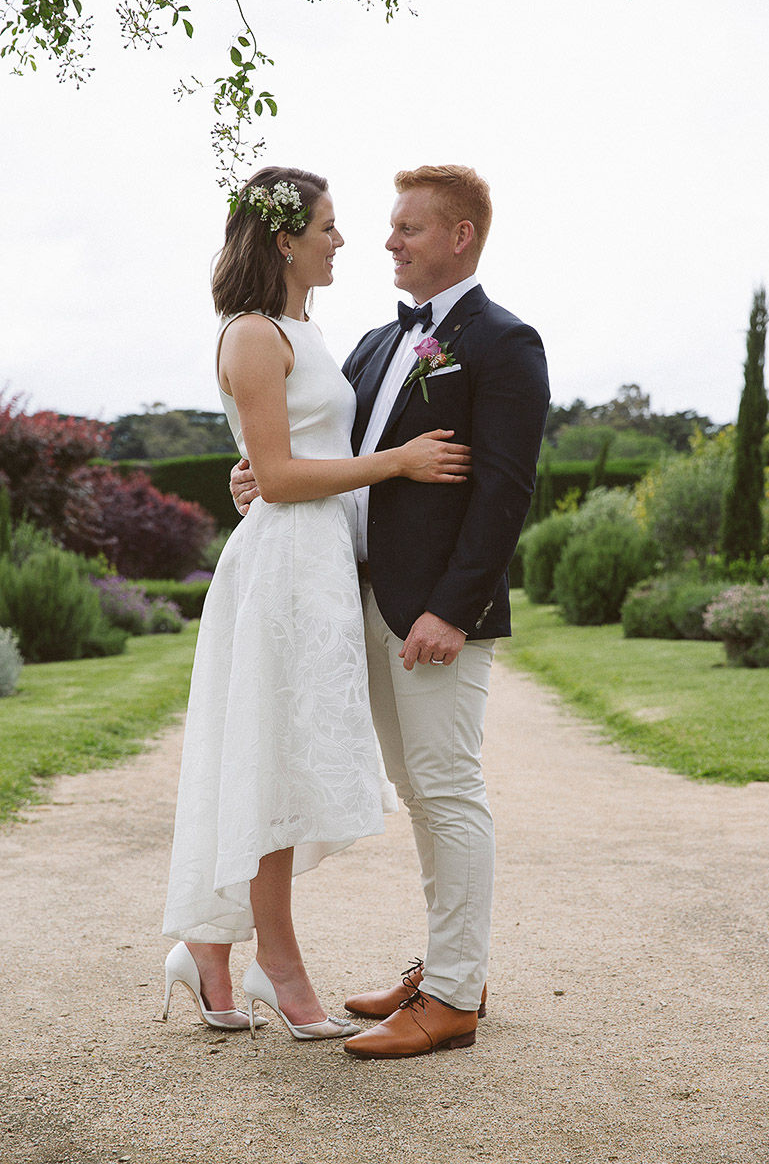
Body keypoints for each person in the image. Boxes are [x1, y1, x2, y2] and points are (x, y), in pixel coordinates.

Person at [230, 164, 550, 1059]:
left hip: (438, 616)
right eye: (387, 225)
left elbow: (506, 491)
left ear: (459, 237)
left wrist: (454, 608)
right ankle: (454, 964)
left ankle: (450, 999)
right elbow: (326, 451)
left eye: (408, 228)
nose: (386, 241)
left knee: (449, 788)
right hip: (362, 598)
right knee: (421, 791)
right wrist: (256, 472)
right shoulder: (372, 342)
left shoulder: (504, 342)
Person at [161, 166, 472, 1043]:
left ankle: (210, 948)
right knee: (274, 764)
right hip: (281, 572)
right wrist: (398, 462)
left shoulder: (307, 327)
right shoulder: (253, 334)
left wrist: (277, 468)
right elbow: (287, 476)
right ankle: (275, 963)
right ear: (285, 239)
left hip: (319, 567)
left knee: (286, 764)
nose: (345, 240)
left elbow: (293, 453)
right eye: (330, 227)